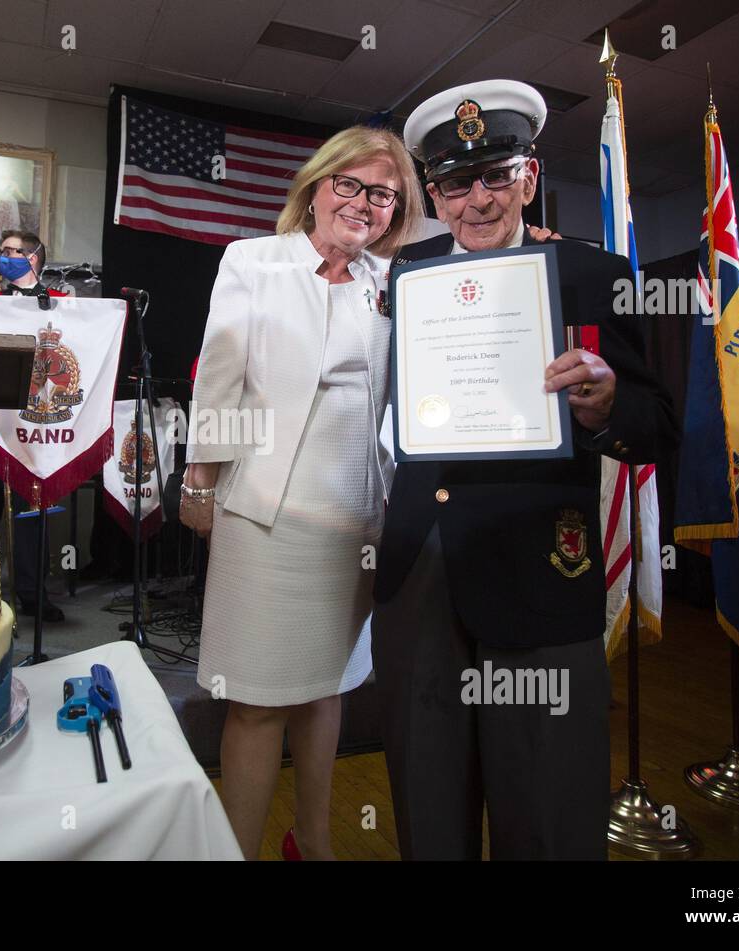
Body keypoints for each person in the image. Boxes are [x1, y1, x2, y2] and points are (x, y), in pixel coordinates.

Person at [372, 80, 680, 860]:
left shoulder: (592, 274)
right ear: (433, 195)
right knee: (428, 801)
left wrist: (607, 407)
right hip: (421, 570)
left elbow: (658, 424)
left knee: (547, 808)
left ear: (529, 177)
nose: (477, 199)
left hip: (542, 565)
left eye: (496, 175)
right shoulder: (399, 282)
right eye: (454, 182)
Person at [180, 126, 425, 861]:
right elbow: (220, 374)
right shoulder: (252, 262)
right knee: (256, 701)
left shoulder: (396, 281)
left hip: (358, 519)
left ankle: (311, 843)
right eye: (347, 183)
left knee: (328, 689)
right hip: (264, 511)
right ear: (315, 188)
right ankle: (237, 851)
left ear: (396, 209)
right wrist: (199, 482)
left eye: (381, 192)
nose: (362, 202)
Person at [0, 230, 65, 622]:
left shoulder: (62, 305)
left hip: (36, 416)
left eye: (13, 251)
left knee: (31, 506)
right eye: (1, 251)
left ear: (35, 256)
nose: (5, 257)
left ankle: (32, 594)